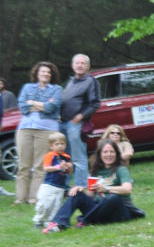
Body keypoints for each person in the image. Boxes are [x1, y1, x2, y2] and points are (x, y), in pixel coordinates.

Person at [43, 140, 141, 232]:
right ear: (100, 154)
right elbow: (91, 194)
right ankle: (59, 224)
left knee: (113, 197)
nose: (109, 155)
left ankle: (85, 221)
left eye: (112, 152)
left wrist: (106, 189)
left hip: (118, 212)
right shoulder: (96, 170)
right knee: (77, 194)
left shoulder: (121, 169)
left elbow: (127, 189)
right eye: (105, 152)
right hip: (99, 210)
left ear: (116, 154)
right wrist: (80, 190)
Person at [15, 61, 63, 205]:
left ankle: (34, 198)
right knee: (23, 165)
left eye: (48, 72)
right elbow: (22, 106)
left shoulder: (57, 89)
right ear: (37, 73)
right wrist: (42, 105)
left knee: (40, 166)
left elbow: (51, 107)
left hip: (47, 130)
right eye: (43, 71)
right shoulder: (27, 87)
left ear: (52, 75)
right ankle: (20, 198)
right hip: (25, 128)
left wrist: (32, 103)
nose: (45, 74)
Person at [60, 54, 101, 188]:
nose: (79, 65)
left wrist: (80, 116)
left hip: (76, 124)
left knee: (78, 157)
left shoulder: (91, 81)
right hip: (63, 123)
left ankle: (81, 187)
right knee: (65, 156)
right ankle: (64, 186)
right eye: (77, 63)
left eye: (83, 63)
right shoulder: (71, 81)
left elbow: (95, 103)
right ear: (72, 66)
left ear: (88, 66)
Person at [32, 132, 72, 229]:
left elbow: (69, 172)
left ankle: (49, 221)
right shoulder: (50, 155)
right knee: (45, 203)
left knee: (56, 205)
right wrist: (58, 167)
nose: (60, 146)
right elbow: (46, 168)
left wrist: (69, 167)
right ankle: (38, 220)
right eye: (57, 144)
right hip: (49, 184)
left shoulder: (67, 157)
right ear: (51, 146)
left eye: (62, 144)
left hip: (60, 186)